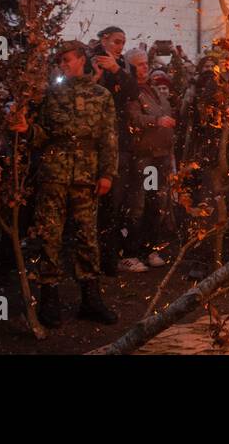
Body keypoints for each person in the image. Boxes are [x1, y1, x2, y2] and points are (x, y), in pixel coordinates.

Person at [15, 40, 118, 328]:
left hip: (86, 175)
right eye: (59, 61)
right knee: (49, 236)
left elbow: (109, 138)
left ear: (82, 59)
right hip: (53, 174)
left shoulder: (101, 95)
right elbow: (42, 135)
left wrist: (108, 173)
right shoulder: (50, 95)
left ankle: (91, 299)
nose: (63, 65)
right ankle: (49, 299)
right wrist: (27, 130)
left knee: (86, 237)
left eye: (67, 60)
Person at [119, 52, 178, 272]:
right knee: (138, 205)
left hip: (159, 156)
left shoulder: (153, 89)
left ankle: (149, 248)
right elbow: (133, 120)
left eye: (146, 64)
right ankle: (130, 253)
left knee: (156, 203)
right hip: (144, 157)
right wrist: (156, 121)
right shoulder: (132, 92)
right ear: (131, 68)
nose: (145, 68)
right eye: (140, 65)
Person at [89, 26, 137, 275]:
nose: (120, 46)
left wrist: (117, 70)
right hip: (94, 139)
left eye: (123, 42)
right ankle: (92, 260)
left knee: (116, 203)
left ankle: (109, 259)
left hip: (118, 139)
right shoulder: (88, 60)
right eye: (116, 41)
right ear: (104, 39)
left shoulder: (123, 67)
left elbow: (133, 93)